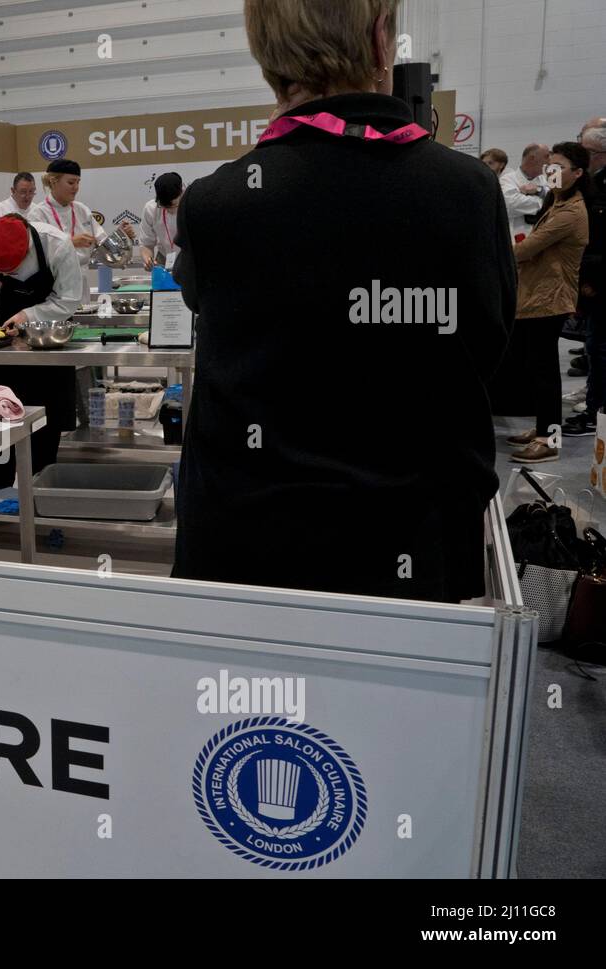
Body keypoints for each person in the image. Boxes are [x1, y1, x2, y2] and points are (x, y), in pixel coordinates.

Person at [171, 0, 514, 603]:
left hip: (246, 542)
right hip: (407, 538)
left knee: (245, 698)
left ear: (265, 55)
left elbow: (211, 312)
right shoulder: (466, 191)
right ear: (382, 41)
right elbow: (484, 349)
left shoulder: (215, 201)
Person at [0, 214, 83, 489]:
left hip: (48, 338)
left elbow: (68, 299)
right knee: (1, 417)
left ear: (28, 248)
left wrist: (28, 315)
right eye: (2, 273)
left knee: (46, 422)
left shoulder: (56, 244)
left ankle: (42, 494)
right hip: (6, 342)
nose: (6, 277)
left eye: (12, 270)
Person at [503, 142, 593, 461]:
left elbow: (527, 249)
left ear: (578, 173)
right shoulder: (555, 201)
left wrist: (495, 255)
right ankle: (543, 428)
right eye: (548, 167)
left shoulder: (570, 212)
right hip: (536, 296)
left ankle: (550, 439)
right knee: (535, 368)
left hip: (550, 299)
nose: (550, 173)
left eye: (557, 168)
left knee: (545, 372)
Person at [563, 122, 606, 437]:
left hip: (599, 283)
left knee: (601, 350)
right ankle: (595, 409)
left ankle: (597, 414)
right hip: (589, 282)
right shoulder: (590, 185)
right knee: (594, 349)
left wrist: (593, 278)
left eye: (589, 153)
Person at [500, 143, 550, 241]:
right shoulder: (507, 179)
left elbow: (557, 198)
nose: (549, 161)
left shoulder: (546, 180)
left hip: (542, 238)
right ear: (532, 158)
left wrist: (539, 190)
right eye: (546, 157)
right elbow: (511, 205)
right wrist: (544, 201)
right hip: (517, 237)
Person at [136, 172, 184, 270]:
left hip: (190, 260)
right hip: (164, 258)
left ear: (182, 193)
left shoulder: (194, 205)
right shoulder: (151, 208)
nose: (169, 210)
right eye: (164, 206)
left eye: (173, 205)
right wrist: (148, 259)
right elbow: (146, 244)